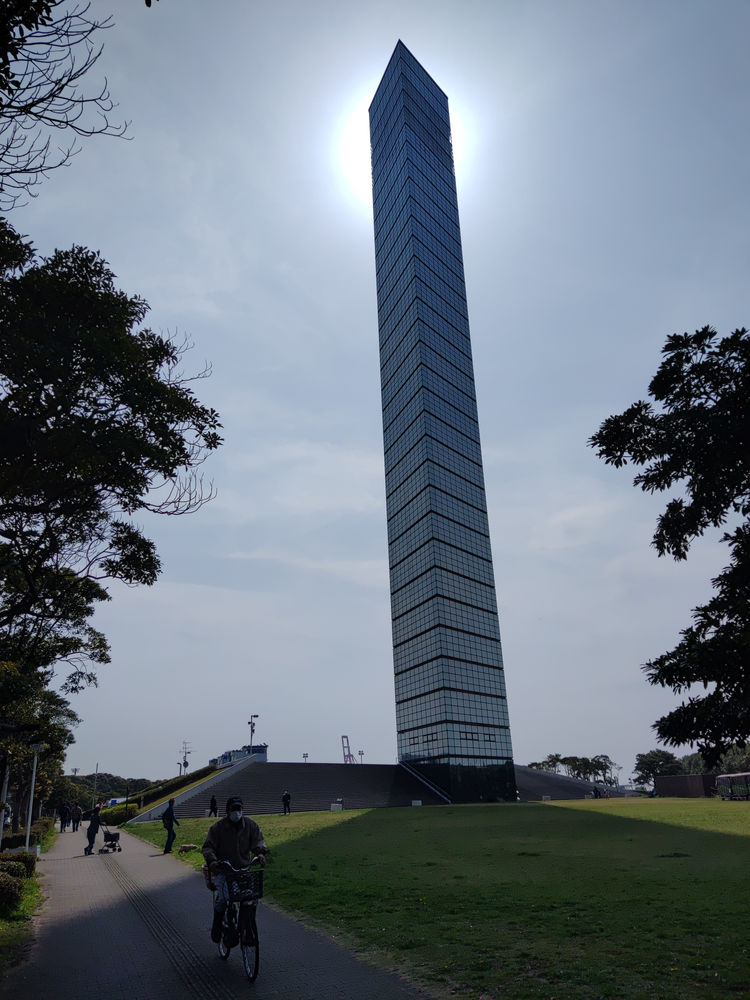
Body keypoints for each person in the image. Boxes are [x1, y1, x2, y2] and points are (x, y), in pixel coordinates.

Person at [202, 796, 267, 943]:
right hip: (224, 870)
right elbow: (208, 847)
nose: (237, 812)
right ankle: (217, 924)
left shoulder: (250, 825)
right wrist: (212, 861)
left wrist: (261, 853)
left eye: (239, 809)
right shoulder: (218, 828)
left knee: (249, 899)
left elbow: (258, 841)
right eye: (234, 809)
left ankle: (248, 930)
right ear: (228, 811)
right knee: (224, 900)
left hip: (243, 869)